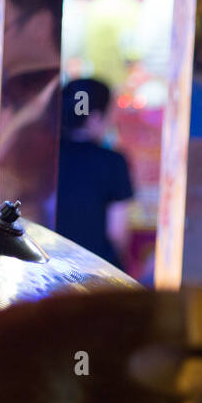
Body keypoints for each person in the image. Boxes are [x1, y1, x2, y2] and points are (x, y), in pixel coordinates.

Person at [55, 77, 135, 274]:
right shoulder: (113, 161)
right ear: (95, 117)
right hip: (97, 272)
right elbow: (117, 232)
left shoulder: (44, 157)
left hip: (49, 270)